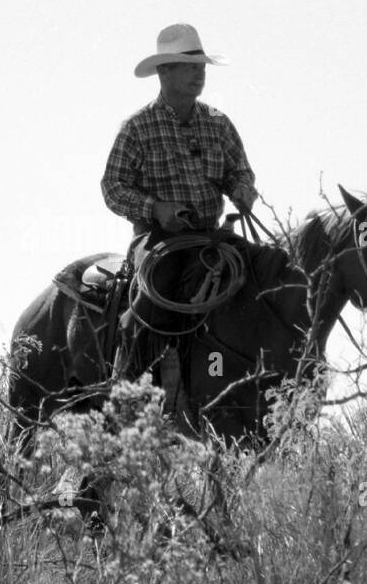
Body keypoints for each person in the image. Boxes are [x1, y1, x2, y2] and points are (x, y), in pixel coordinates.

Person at [101, 23, 260, 380]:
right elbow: (112, 187)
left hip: (212, 236)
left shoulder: (218, 124)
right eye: (189, 65)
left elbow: (241, 172)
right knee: (156, 300)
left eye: (201, 65)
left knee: (262, 274)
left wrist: (242, 191)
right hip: (157, 241)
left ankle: (249, 381)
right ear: (163, 71)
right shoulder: (138, 127)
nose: (199, 72)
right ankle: (129, 388)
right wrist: (155, 209)